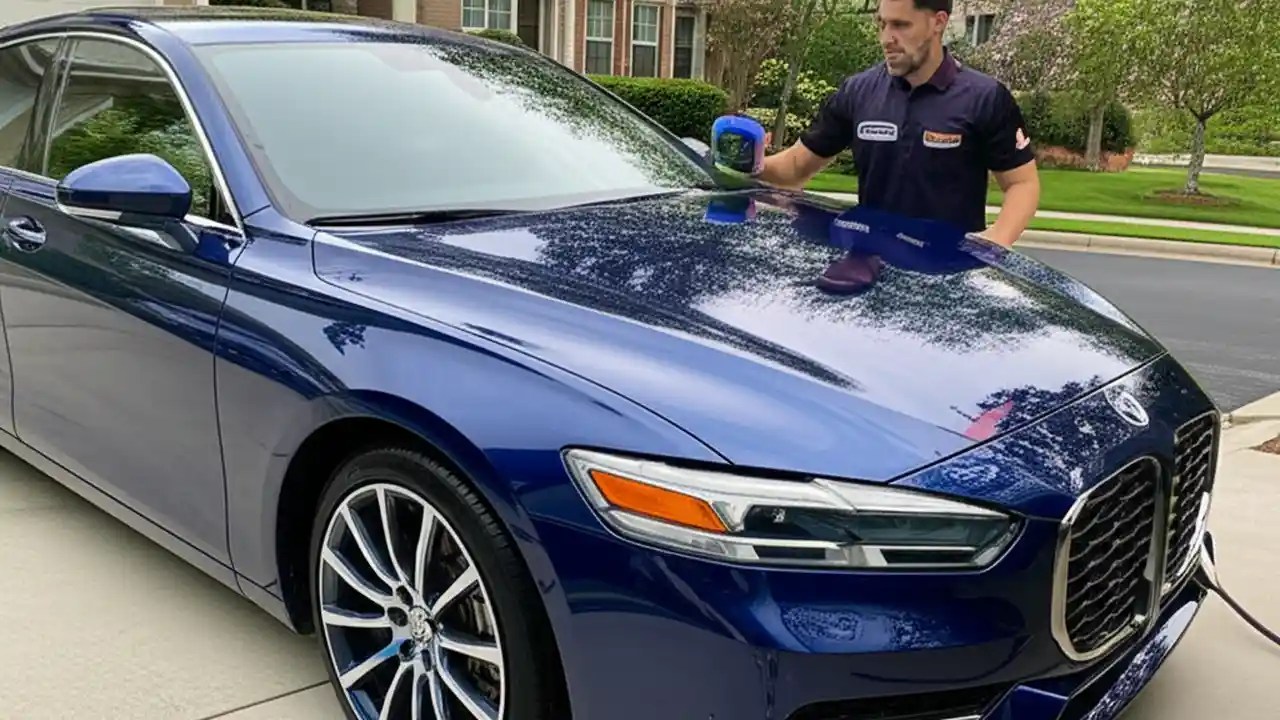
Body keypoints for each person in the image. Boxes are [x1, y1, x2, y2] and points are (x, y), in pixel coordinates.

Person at [754, 0, 1040, 247]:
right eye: (882, 24)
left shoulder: (985, 98)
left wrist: (995, 241)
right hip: (870, 271)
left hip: (950, 281)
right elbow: (794, 169)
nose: (886, 38)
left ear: (937, 22)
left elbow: (1022, 184)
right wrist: (747, 160)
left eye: (900, 25)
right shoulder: (858, 92)